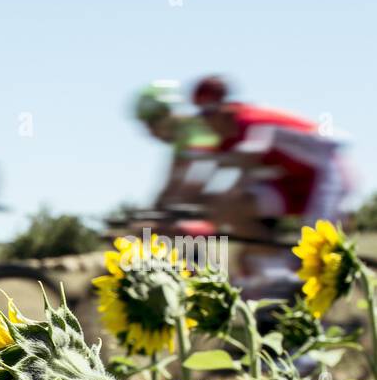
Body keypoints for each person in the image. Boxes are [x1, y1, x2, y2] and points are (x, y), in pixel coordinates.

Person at [192, 76, 354, 297]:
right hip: (291, 184)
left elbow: (242, 164)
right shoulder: (227, 137)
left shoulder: (250, 121)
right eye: (201, 115)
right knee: (230, 208)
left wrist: (202, 203)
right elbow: (216, 184)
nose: (206, 122)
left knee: (314, 256)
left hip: (328, 177)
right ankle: (278, 279)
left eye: (209, 113)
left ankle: (287, 280)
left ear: (227, 107)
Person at [131, 80, 220, 208]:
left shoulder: (197, 132)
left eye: (150, 123)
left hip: (226, 204)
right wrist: (151, 212)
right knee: (147, 226)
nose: (150, 133)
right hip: (211, 201)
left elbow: (195, 181)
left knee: (149, 225)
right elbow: (172, 184)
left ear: (166, 115)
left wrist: (154, 214)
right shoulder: (182, 137)